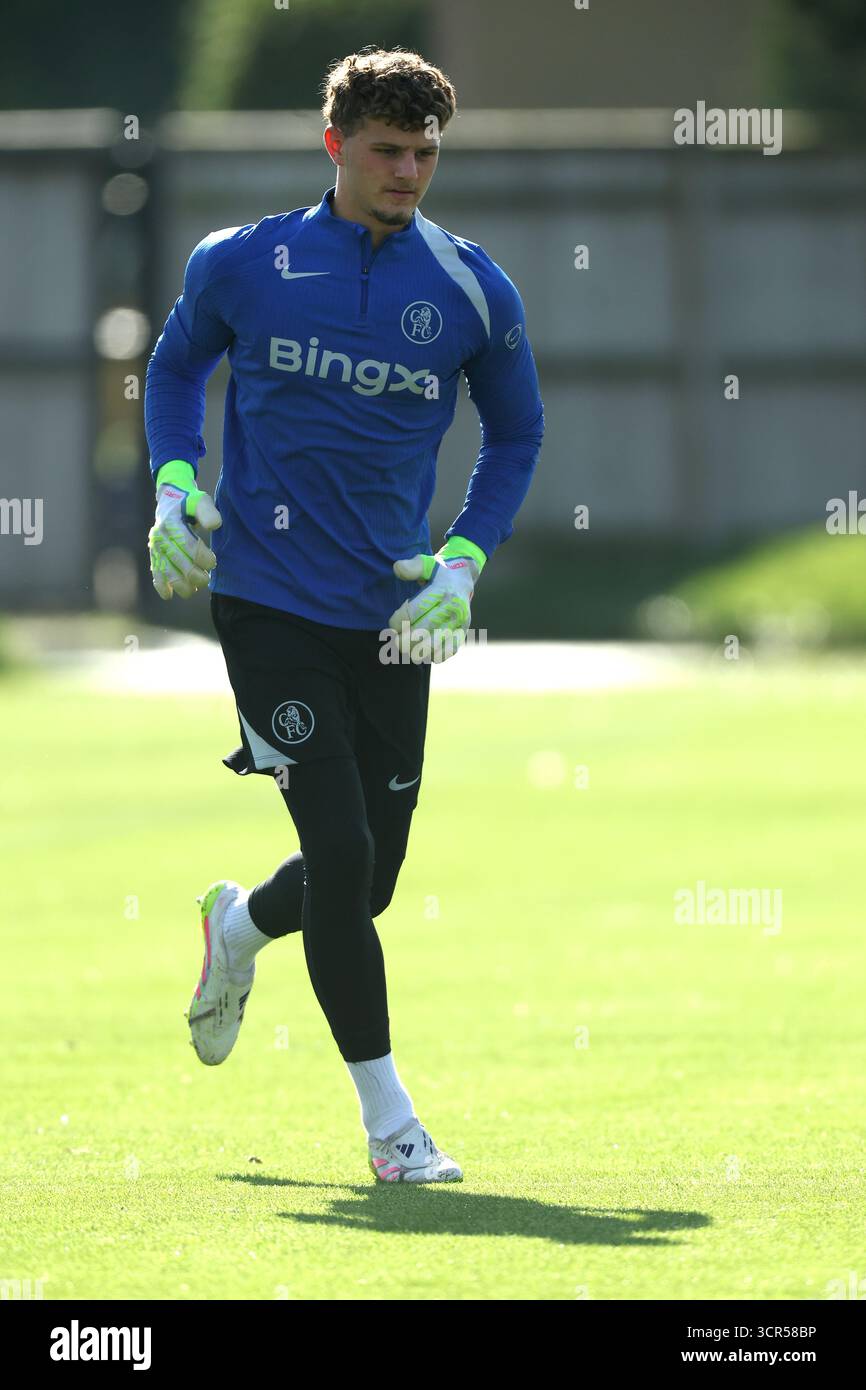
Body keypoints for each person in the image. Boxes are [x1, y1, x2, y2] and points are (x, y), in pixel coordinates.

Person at [144, 46, 544, 1183]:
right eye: (386, 150)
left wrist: (461, 562)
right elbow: (175, 374)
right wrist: (177, 483)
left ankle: (238, 928)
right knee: (338, 839)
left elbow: (516, 434)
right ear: (334, 145)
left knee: (365, 881)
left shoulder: (470, 285)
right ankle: (390, 1126)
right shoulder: (245, 261)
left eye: (424, 153)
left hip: (392, 616)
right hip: (265, 602)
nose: (407, 171)